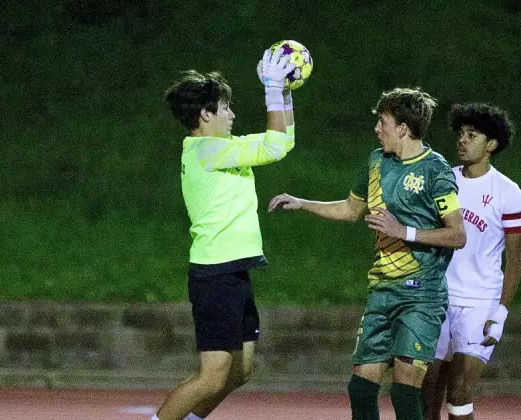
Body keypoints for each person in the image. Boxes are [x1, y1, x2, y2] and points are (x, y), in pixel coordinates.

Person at [268, 87, 466, 420]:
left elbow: (458, 235)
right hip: (382, 292)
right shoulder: (376, 161)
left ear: (402, 128)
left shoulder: (436, 170)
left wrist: (404, 232)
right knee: (360, 388)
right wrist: (302, 203)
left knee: (404, 392)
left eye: (382, 122)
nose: (376, 129)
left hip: (422, 296)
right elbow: (350, 210)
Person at [152, 48, 298, 420]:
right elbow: (274, 146)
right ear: (205, 114)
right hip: (215, 274)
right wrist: (272, 90)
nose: (232, 114)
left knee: (240, 371)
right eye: (225, 108)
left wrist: (284, 93)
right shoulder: (206, 150)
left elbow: (282, 142)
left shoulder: (220, 149)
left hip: (233, 271)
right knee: (212, 376)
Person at [421, 103, 521, 420]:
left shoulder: (508, 193)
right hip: (438, 297)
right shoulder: (444, 181)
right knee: (427, 390)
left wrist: (502, 311)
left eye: (472, 135)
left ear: (491, 144)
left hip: (480, 301)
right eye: (461, 134)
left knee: (459, 393)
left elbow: (515, 259)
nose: (462, 140)